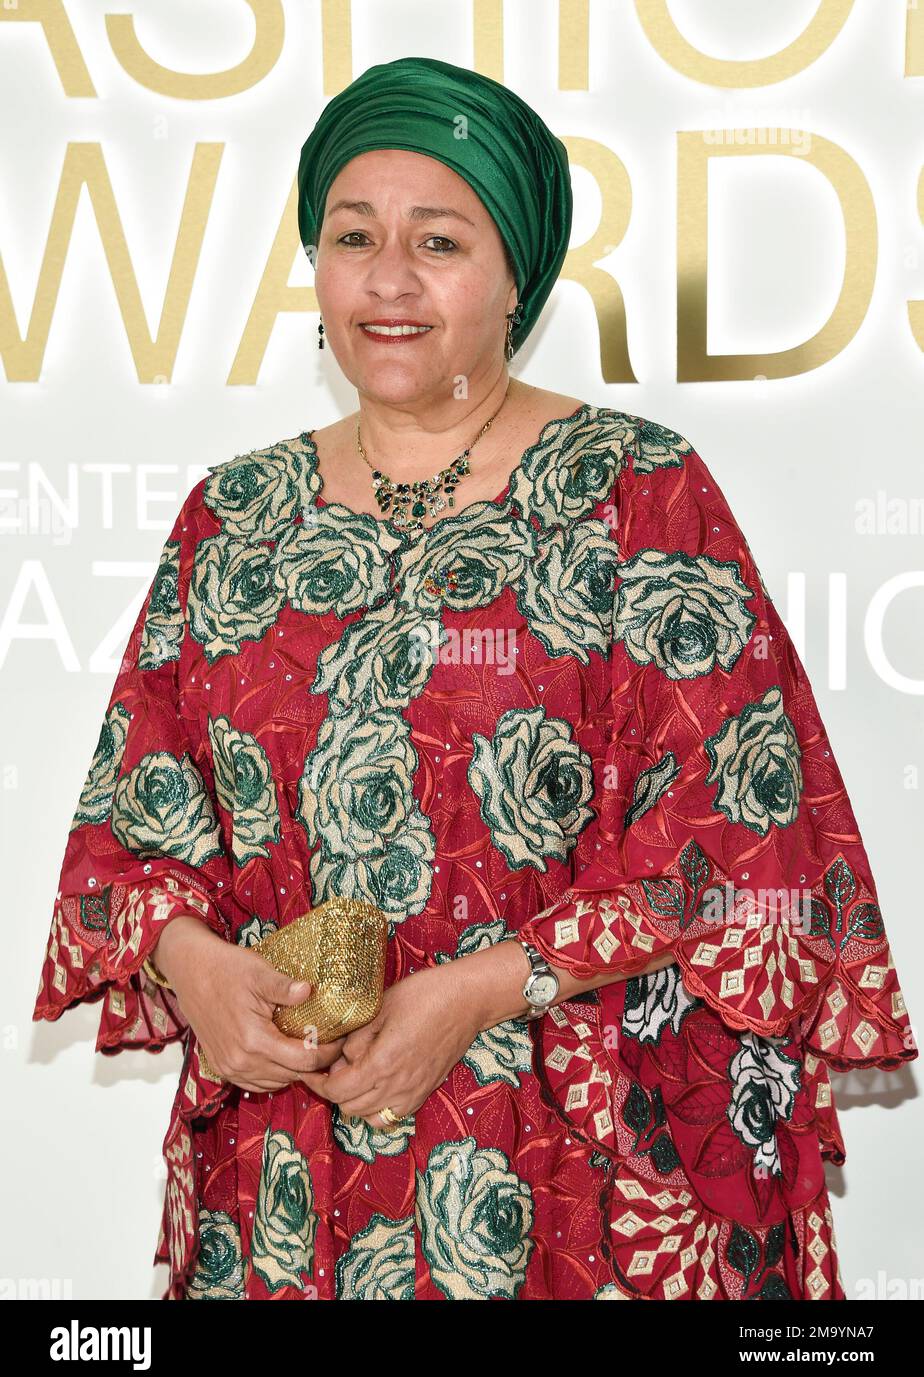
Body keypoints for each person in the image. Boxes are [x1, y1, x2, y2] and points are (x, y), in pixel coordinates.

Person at [33, 54, 917, 1302]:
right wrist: (192, 965)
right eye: (353, 237)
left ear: (518, 278)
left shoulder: (639, 493)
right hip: (290, 1175)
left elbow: (739, 847)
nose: (388, 280)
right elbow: (127, 835)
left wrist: (475, 992)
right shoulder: (230, 518)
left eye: (438, 241)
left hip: (576, 1165)